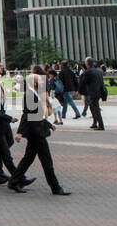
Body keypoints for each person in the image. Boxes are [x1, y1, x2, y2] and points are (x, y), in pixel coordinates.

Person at [7, 65, 71, 195]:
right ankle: (55, 187)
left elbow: (37, 115)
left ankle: (13, 181)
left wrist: (48, 124)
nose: (43, 81)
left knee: (28, 158)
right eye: (40, 80)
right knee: (46, 160)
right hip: (36, 132)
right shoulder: (30, 95)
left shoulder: (34, 93)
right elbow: (27, 115)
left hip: (36, 130)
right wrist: (19, 132)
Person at [79, 57, 106, 130]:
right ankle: (95, 123)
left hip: (92, 92)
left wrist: (79, 91)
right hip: (98, 92)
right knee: (92, 107)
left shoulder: (88, 72)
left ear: (87, 64)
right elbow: (101, 83)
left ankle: (101, 125)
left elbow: (83, 82)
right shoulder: (99, 71)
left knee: (96, 109)